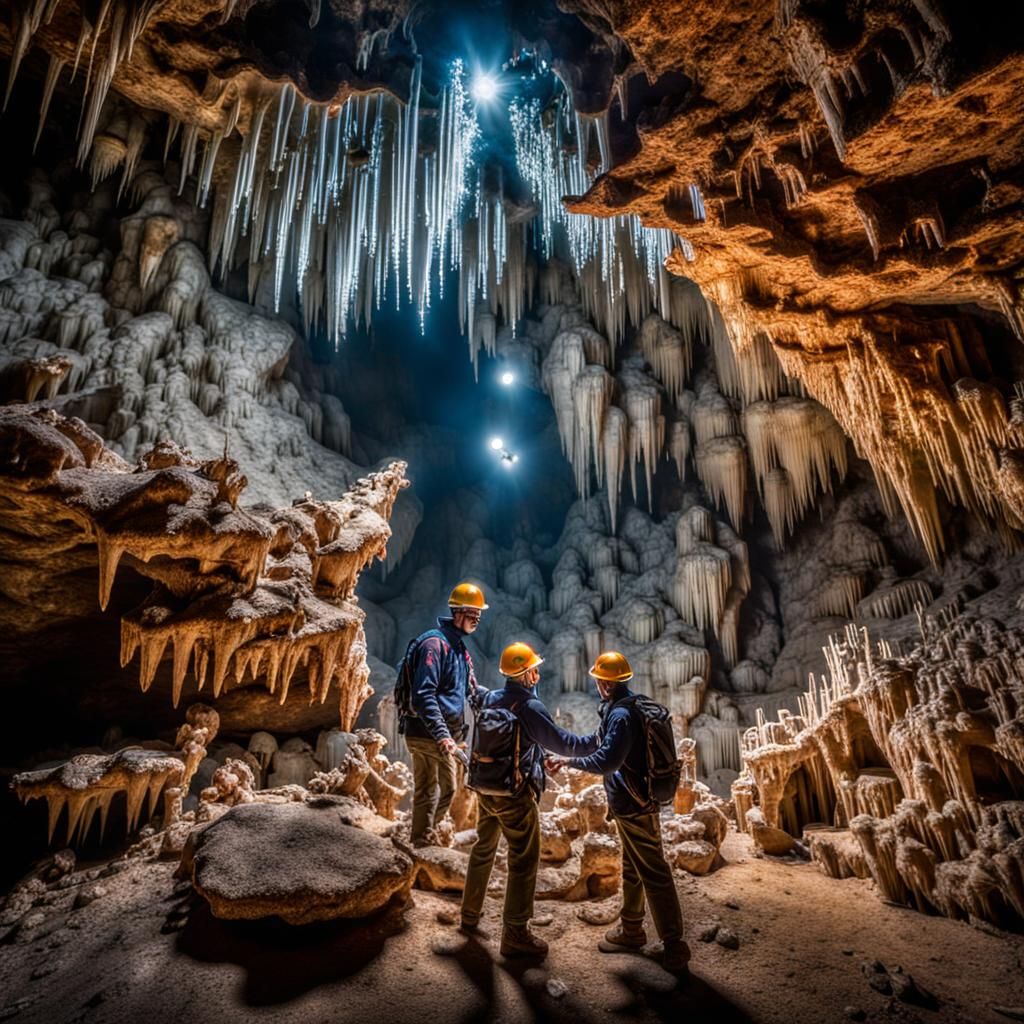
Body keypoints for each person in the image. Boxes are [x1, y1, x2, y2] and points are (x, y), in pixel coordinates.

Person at [547, 651, 691, 973]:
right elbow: (595, 744)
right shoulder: (626, 708)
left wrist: (569, 762)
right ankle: (631, 928)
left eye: (599, 680)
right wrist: (561, 750)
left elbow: (606, 761)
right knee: (634, 867)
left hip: (633, 804)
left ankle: (674, 945)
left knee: (653, 869)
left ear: (606, 683)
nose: (597, 685)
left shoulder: (621, 716)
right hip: (637, 802)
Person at [460, 641, 599, 958]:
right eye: (534, 669)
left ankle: (469, 916)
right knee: (523, 859)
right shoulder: (529, 707)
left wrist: (536, 755)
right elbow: (564, 743)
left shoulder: (492, 699)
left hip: (486, 788)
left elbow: (515, 741)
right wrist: (597, 741)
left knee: (483, 849)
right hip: (515, 794)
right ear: (526, 674)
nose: (537, 674)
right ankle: (515, 933)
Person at [403, 582, 487, 847]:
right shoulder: (435, 645)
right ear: (457, 612)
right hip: (427, 732)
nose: (476, 620)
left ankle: (420, 835)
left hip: (436, 733)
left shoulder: (458, 649)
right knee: (440, 789)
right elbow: (423, 694)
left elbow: (470, 689)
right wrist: (443, 735)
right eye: (472, 613)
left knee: (436, 788)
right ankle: (423, 838)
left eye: (479, 615)